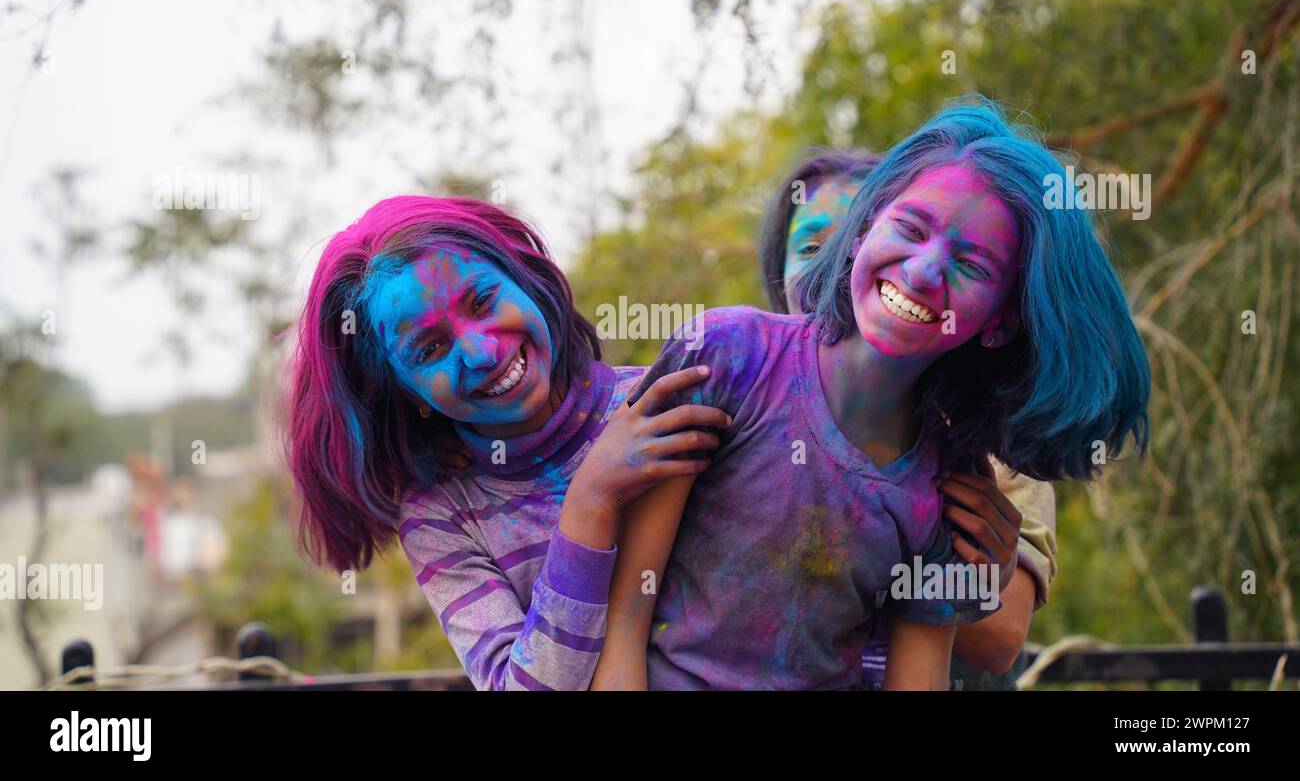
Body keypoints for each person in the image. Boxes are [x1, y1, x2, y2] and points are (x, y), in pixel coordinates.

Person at [591, 96, 1150, 690]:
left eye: (974, 265)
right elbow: (624, 618)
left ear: (1001, 322)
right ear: (862, 229)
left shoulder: (951, 480)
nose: (923, 270)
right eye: (911, 228)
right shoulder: (727, 357)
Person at [283, 195, 730, 689]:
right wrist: (589, 502)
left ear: (526, 280)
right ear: (408, 395)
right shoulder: (443, 515)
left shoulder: (668, 404)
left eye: (482, 302)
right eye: (431, 348)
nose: (482, 351)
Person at [758, 148, 1059, 688]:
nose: (835, 264)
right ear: (778, 275)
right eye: (809, 246)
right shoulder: (738, 384)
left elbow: (1001, 638)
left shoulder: (982, 439)